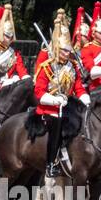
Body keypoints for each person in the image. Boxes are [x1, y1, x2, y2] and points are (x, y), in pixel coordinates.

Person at [34, 11, 88, 179]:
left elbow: (78, 87)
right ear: (58, 49)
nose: (67, 53)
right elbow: (39, 91)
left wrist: (86, 98)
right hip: (49, 109)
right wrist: (54, 100)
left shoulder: (72, 66)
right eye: (64, 50)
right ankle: (51, 163)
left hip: (69, 106)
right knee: (57, 124)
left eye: (69, 50)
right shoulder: (47, 66)